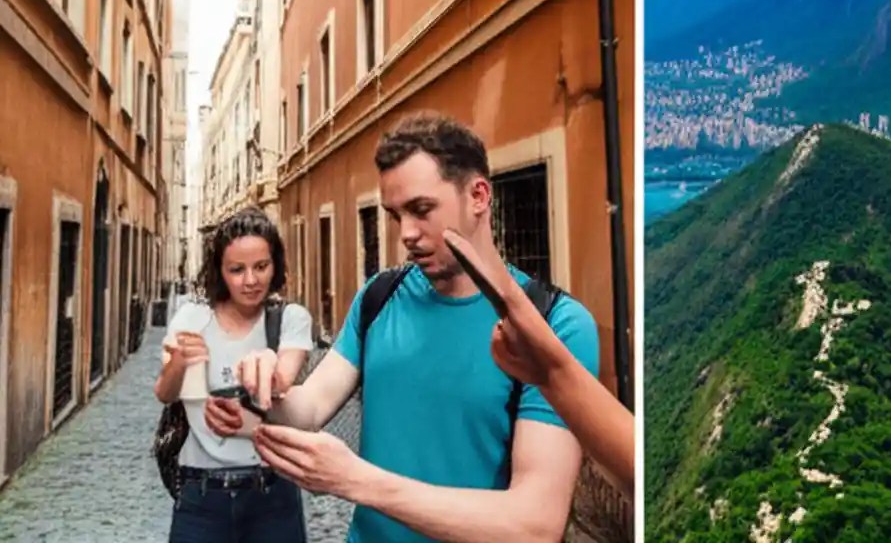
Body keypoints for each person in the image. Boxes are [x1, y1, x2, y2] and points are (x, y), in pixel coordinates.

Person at [205, 112, 599, 543]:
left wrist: (356, 480)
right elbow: (309, 409)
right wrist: (266, 389)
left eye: (421, 210)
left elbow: (535, 524)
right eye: (396, 216)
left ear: (478, 196)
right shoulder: (379, 296)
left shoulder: (555, 325)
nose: (406, 234)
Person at [154, 206, 314, 543]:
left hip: (272, 492)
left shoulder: (290, 318)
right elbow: (165, 393)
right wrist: (180, 360)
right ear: (220, 271)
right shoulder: (192, 318)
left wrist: (264, 368)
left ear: (275, 265)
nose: (251, 280)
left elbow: (284, 379)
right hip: (201, 493)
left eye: (261, 266)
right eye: (237, 270)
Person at [443, 229, 635, 499]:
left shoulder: (564, 319)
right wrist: (552, 375)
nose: (408, 234)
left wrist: (553, 374)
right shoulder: (386, 294)